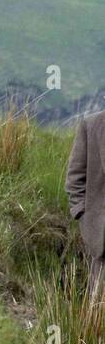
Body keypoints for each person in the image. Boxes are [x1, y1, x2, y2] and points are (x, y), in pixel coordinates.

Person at [66, 109, 105, 311]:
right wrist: (83, 215)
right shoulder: (90, 126)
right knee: (98, 308)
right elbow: (74, 180)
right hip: (101, 237)